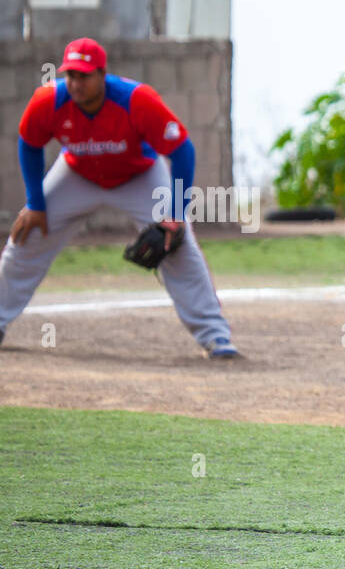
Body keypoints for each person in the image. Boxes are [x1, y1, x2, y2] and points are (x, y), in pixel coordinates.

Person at [1, 37, 237, 358]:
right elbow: (29, 143)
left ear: (102, 73)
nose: (76, 83)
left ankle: (216, 337)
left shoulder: (136, 100)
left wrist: (175, 213)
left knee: (178, 245)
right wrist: (36, 203)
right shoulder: (49, 101)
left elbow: (183, 150)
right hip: (77, 175)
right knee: (24, 237)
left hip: (139, 176)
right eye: (70, 75)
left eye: (84, 75)